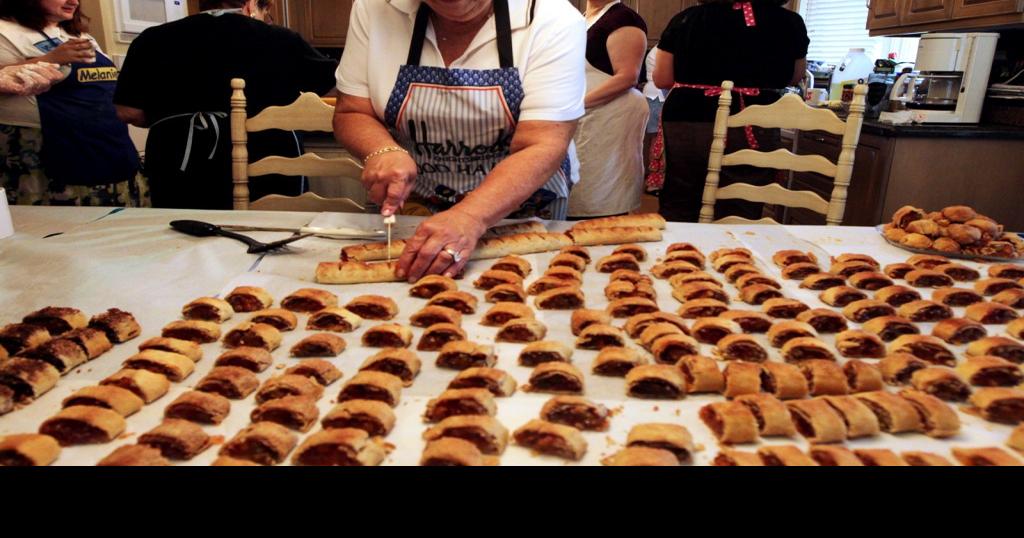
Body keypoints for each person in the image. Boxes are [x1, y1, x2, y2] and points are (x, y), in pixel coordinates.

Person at [334, 0, 586, 282]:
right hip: (412, 205)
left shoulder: (552, 18)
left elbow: (541, 143)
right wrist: (382, 150)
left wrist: (470, 216)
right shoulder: (375, 8)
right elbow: (352, 110)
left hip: (519, 211)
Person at [113, 0, 337, 209]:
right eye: (266, 12)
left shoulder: (151, 39)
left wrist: (171, 117)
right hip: (266, 165)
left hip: (179, 168)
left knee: (182, 238)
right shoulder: (281, 39)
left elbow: (128, 111)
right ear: (250, 5)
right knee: (268, 236)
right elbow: (335, 80)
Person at [653, 0, 808, 222]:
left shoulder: (687, 19)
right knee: (743, 204)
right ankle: (734, 253)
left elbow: (662, 78)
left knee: (683, 198)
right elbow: (794, 76)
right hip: (756, 121)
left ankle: (681, 253)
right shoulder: (790, 21)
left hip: (689, 119)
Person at [0, 0, 144, 206]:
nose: (73, 1)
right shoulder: (5, 32)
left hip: (111, 152)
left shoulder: (80, 35)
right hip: (51, 159)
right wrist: (50, 59)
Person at [566, 0, 648, 220]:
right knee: (580, 190)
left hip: (608, 118)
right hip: (584, 115)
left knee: (600, 196)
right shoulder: (582, 19)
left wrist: (577, 104)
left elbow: (627, 76)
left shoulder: (623, 19)